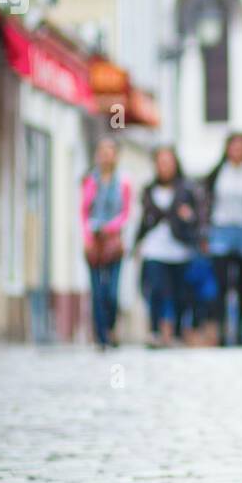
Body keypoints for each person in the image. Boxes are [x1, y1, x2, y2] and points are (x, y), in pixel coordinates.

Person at [202, 132, 242, 346]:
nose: (237, 150)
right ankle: (221, 331)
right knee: (220, 284)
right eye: (234, 146)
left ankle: (239, 332)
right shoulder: (218, 172)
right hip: (221, 230)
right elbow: (205, 198)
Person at [134, 146, 200, 348]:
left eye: (168, 162)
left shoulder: (187, 189)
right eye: (160, 162)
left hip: (179, 248)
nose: (164, 166)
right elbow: (143, 221)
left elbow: (197, 217)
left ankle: (178, 333)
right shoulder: (148, 190)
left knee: (180, 293)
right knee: (155, 289)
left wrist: (189, 217)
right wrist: (136, 244)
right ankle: (154, 331)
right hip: (155, 247)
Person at [80, 136, 132, 351]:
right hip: (93, 241)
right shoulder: (90, 181)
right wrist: (87, 237)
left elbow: (126, 212)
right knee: (97, 292)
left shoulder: (124, 182)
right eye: (102, 151)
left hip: (113, 242)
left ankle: (110, 327)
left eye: (109, 151)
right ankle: (101, 336)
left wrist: (110, 229)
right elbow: (83, 211)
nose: (105, 156)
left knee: (111, 292)